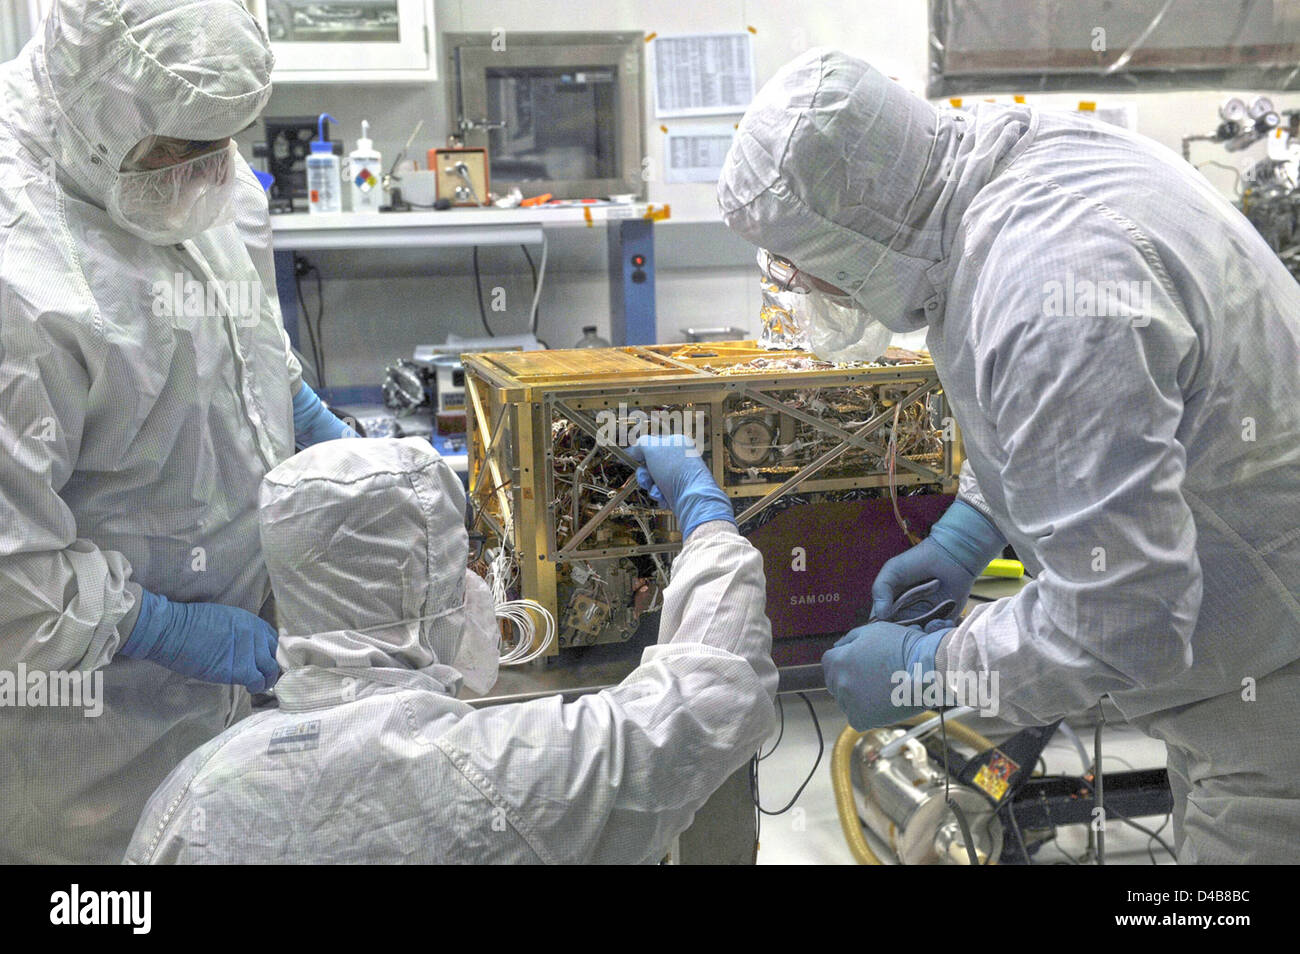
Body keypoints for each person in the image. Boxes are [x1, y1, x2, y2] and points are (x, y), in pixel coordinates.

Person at [718, 48, 1300, 863]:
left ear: (848, 230)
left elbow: (1126, 619)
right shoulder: (1015, 174)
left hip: (1274, 702)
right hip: (1248, 663)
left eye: (796, 262)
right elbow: (1094, 426)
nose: (801, 284)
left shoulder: (1044, 286)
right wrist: (971, 527)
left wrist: (934, 669)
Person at [0, 0, 352, 863]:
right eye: (176, 152)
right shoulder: (20, 274)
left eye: (222, 144)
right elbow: (14, 585)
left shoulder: (201, 166)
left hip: (238, 726)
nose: (204, 174)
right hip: (89, 750)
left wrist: (330, 439)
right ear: (96, 108)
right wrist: (180, 634)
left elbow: (246, 350)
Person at [123, 436, 775, 864]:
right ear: (425, 587)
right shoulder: (503, 774)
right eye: (462, 555)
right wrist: (707, 518)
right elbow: (714, 695)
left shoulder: (191, 797)